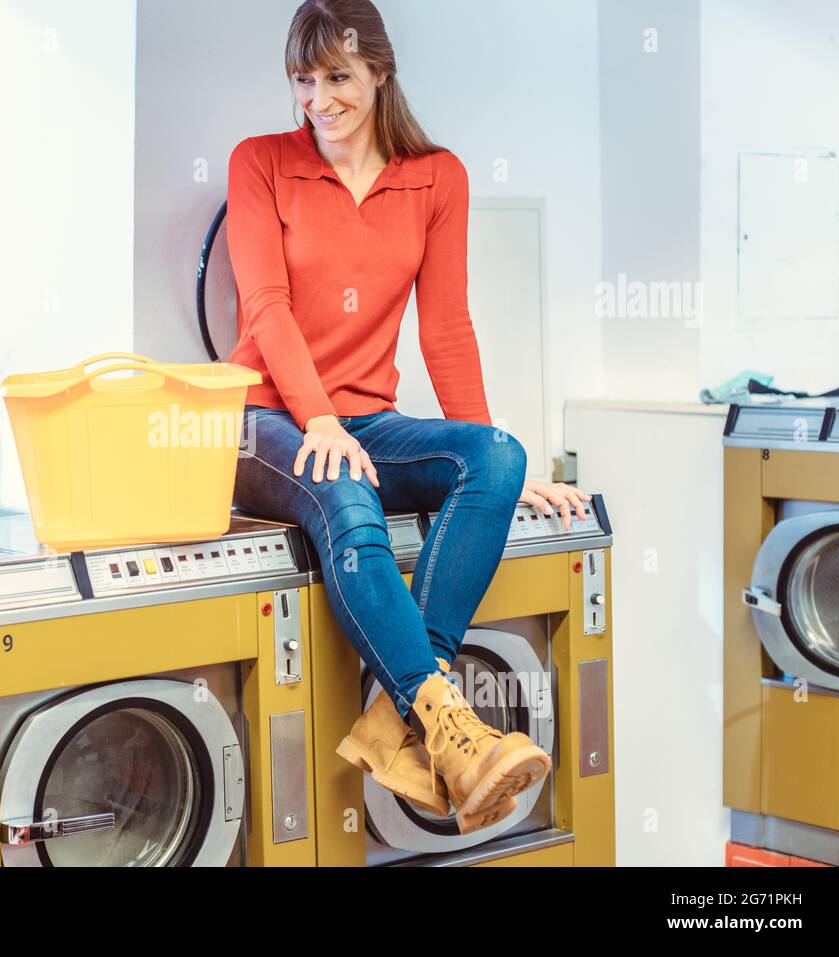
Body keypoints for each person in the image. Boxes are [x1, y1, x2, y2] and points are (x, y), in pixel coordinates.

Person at [227, 0, 591, 834]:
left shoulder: (437, 177)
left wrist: (506, 476)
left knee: (494, 456)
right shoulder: (261, 163)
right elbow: (267, 306)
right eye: (304, 79)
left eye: (338, 77)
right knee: (345, 496)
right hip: (262, 421)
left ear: (380, 72)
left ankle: (400, 721)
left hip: (365, 419)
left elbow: (447, 325)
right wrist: (316, 419)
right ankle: (448, 726)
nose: (319, 99)